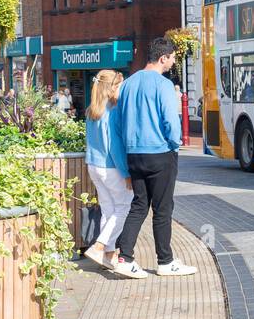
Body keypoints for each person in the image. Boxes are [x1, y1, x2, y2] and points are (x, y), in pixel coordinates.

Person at [113, 38, 196, 279]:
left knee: (139, 206)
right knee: (162, 209)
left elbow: (118, 126)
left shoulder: (127, 84)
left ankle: (125, 258)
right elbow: (170, 120)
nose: (172, 63)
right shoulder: (163, 85)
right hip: (160, 153)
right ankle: (165, 261)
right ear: (163, 58)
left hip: (134, 155)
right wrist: (175, 144)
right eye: (171, 59)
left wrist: (125, 161)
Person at [84, 70, 132, 271]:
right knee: (124, 208)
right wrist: (127, 173)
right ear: (111, 87)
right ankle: (100, 246)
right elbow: (114, 147)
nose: (121, 89)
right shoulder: (111, 112)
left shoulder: (91, 110)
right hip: (110, 167)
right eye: (119, 85)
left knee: (108, 209)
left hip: (93, 166)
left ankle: (108, 255)